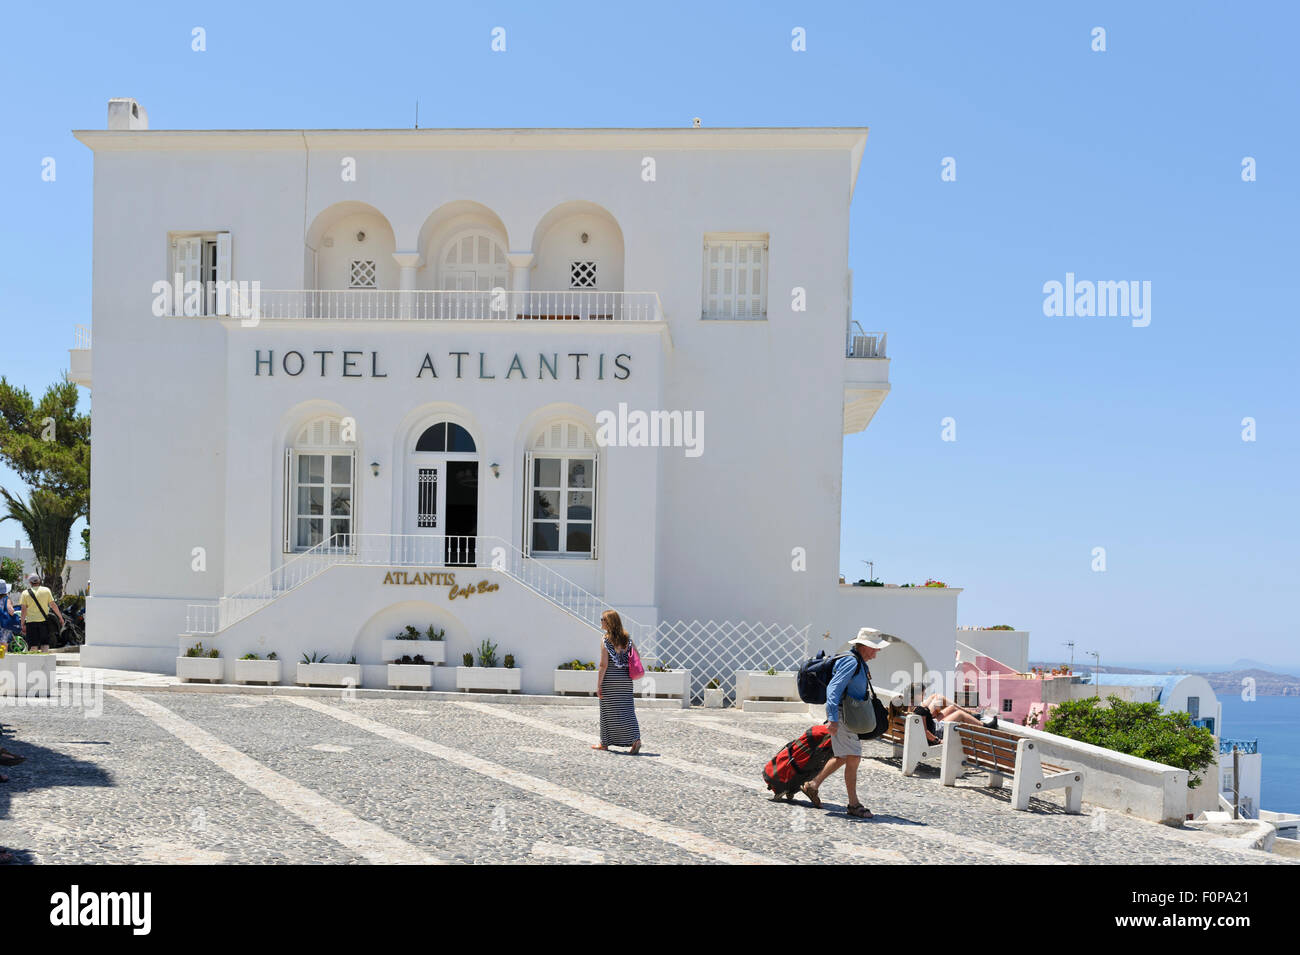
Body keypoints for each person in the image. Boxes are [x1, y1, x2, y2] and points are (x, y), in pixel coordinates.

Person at [801, 629, 892, 818]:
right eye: (875, 649)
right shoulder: (851, 662)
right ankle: (853, 804)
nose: (877, 653)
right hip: (844, 716)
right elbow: (833, 690)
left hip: (847, 715)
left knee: (843, 756)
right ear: (865, 646)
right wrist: (833, 719)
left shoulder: (858, 662)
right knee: (853, 757)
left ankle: (812, 785)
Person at [592, 609, 642, 754]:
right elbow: (637, 656)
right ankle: (635, 739)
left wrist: (599, 684)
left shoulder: (605, 639)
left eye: (602, 619)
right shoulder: (627, 639)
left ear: (609, 622)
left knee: (607, 711)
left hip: (611, 679)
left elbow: (603, 665)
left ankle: (604, 743)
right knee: (627, 711)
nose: (600, 621)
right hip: (626, 680)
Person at [20, 574, 63, 654]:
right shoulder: (46, 590)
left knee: (33, 645)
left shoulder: (25, 593)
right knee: (45, 644)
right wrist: (60, 617)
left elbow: (23, 610)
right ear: (39, 581)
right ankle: (44, 662)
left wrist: (22, 623)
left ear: (30, 582)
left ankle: (34, 663)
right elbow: (53, 605)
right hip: (44, 622)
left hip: (31, 622)